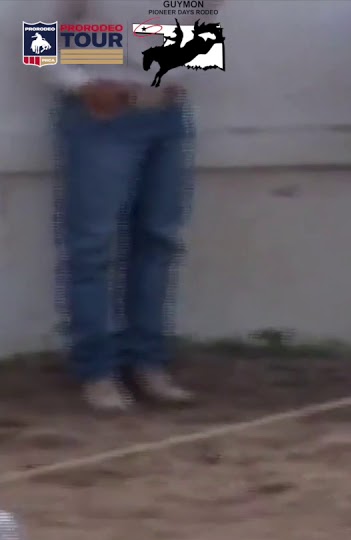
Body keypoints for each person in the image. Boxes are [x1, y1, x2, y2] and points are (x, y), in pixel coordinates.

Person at [44, 0, 220, 412]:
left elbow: (198, 19)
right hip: (102, 117)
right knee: (93, 246)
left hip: (168, 114)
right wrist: (83, 86)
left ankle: (147, 362)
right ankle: (97, 369)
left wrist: (178, 71)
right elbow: (39, 37)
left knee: (158, 241)